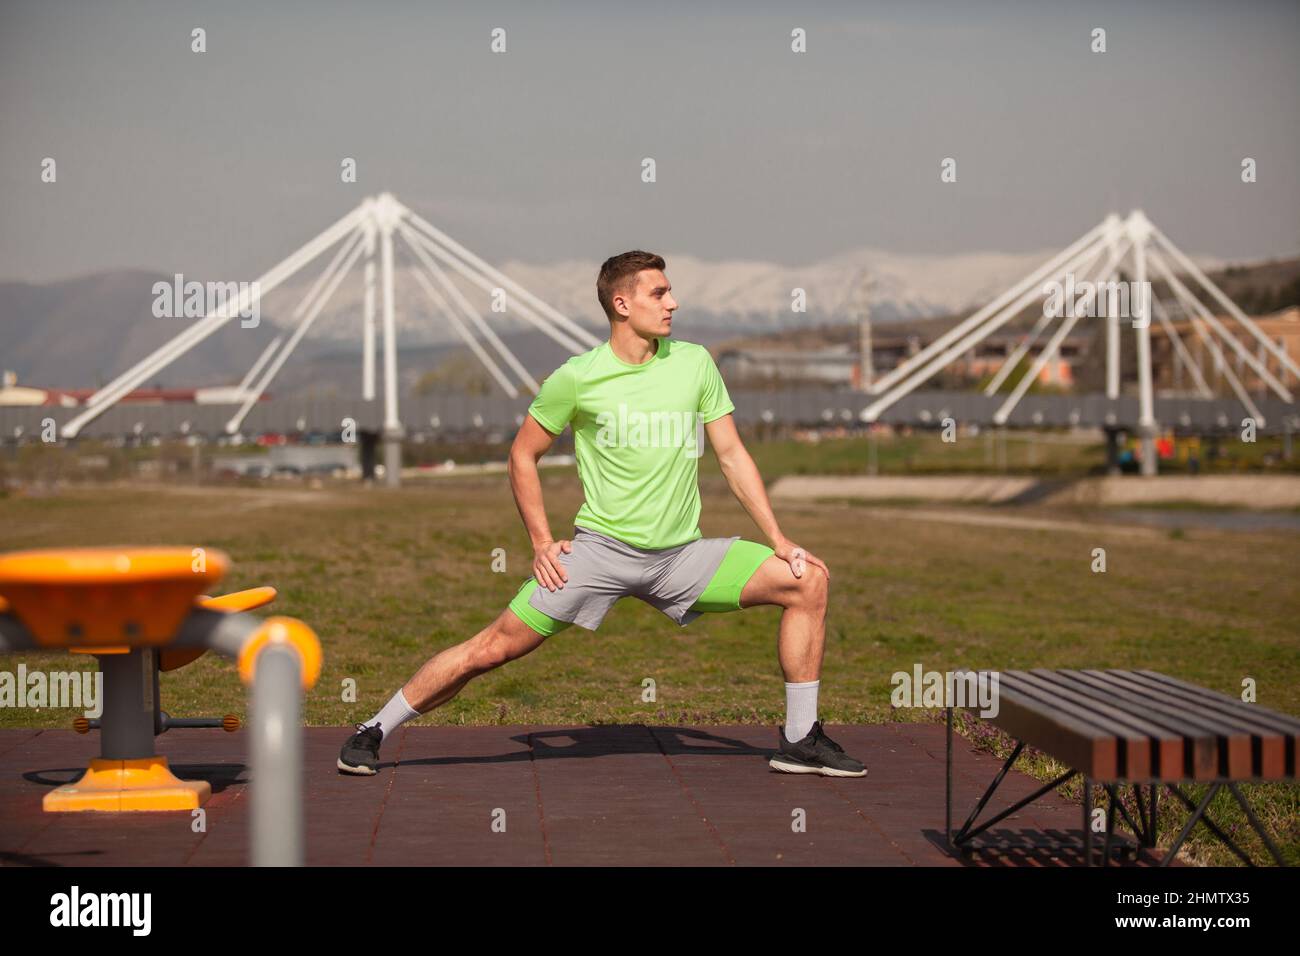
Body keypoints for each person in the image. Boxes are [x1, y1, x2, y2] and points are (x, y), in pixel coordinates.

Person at [338, 250, 865, 778]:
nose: (672, 302)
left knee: (808, 580)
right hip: (599, 555)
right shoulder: (577, 378)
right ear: (621, 303)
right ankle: (372, 730)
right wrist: (542, 542)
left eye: (669, 292)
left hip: (682, 557)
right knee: (491, 649)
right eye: (658, 293)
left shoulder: (695, 363)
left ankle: (798, 739)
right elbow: (523, 454)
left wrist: (778, 538)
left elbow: (731, 455)